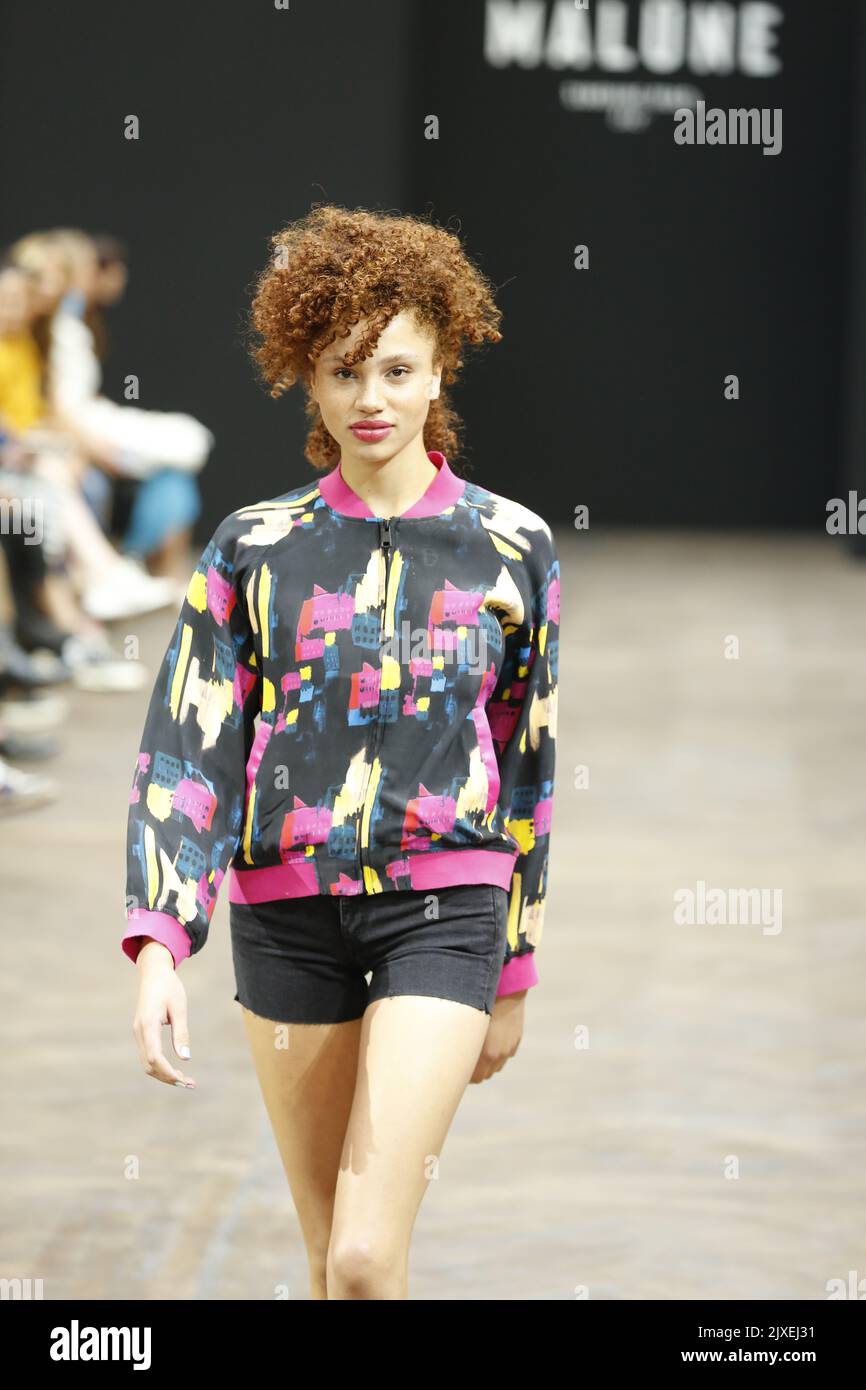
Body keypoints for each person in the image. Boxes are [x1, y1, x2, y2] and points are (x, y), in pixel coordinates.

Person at [122, 205, 560, 1299]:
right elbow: (189, 746)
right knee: (330, 1263)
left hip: (443, 906)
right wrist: (161, 942)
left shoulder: (511, 546)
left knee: (366, 1257)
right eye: (341, 371)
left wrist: (513, 963)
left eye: (396, 369)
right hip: (286, 921)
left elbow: (526, 761)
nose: (370, 398)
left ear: (440, 369)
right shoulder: (252, 547)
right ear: (303, 380)